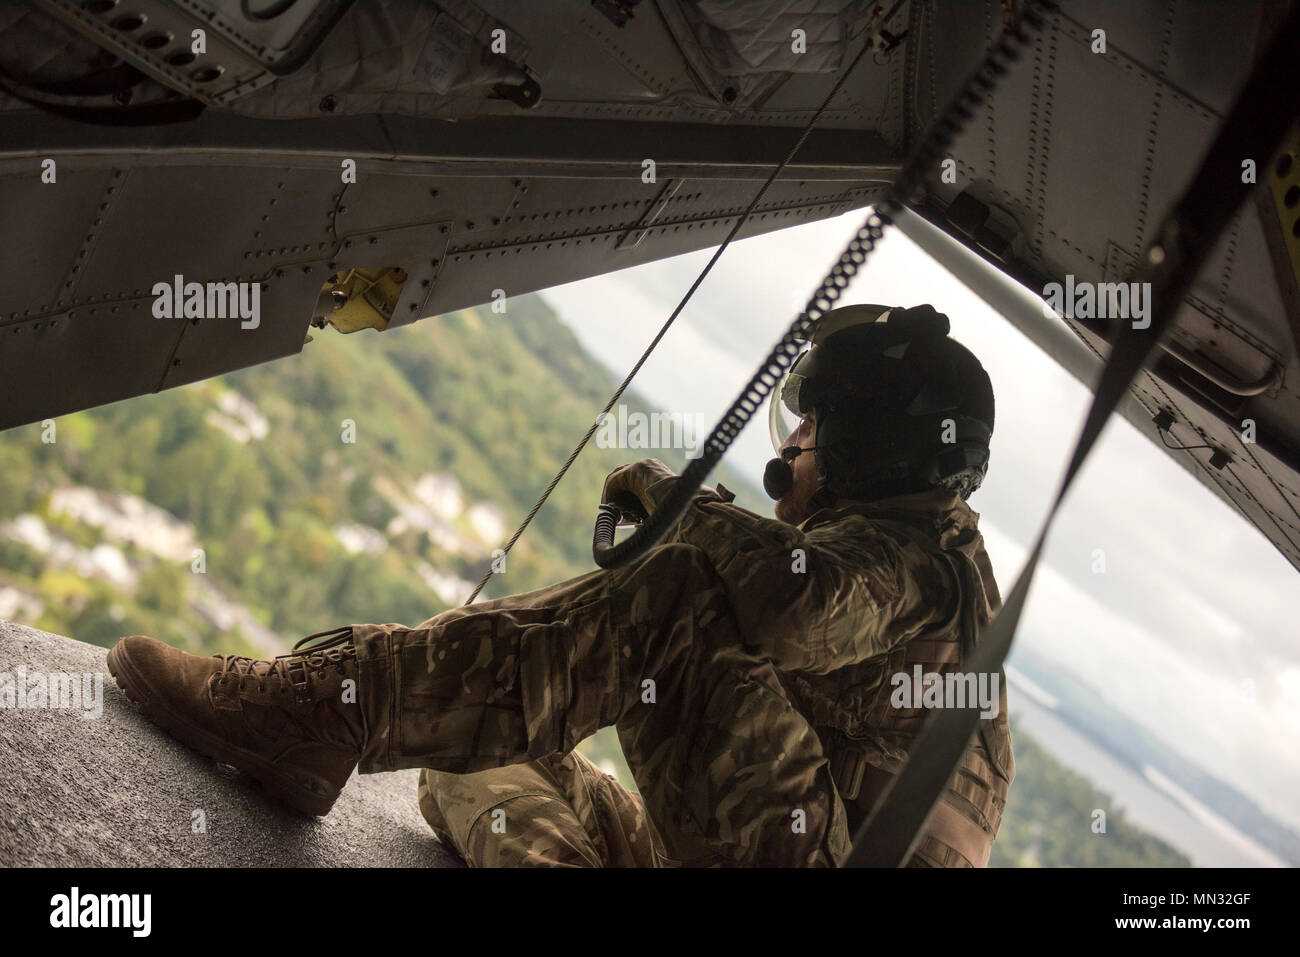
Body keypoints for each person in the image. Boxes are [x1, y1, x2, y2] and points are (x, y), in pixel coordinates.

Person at [107, 302, 1012, 867]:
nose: (790, 449)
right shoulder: (920, 556)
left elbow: (794, 605)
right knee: (482, 753)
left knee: (679, 599)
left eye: (812, 426)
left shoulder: (926, 567)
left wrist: (674, 503)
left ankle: (314, 713)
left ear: (861, 442)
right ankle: (332, 719)